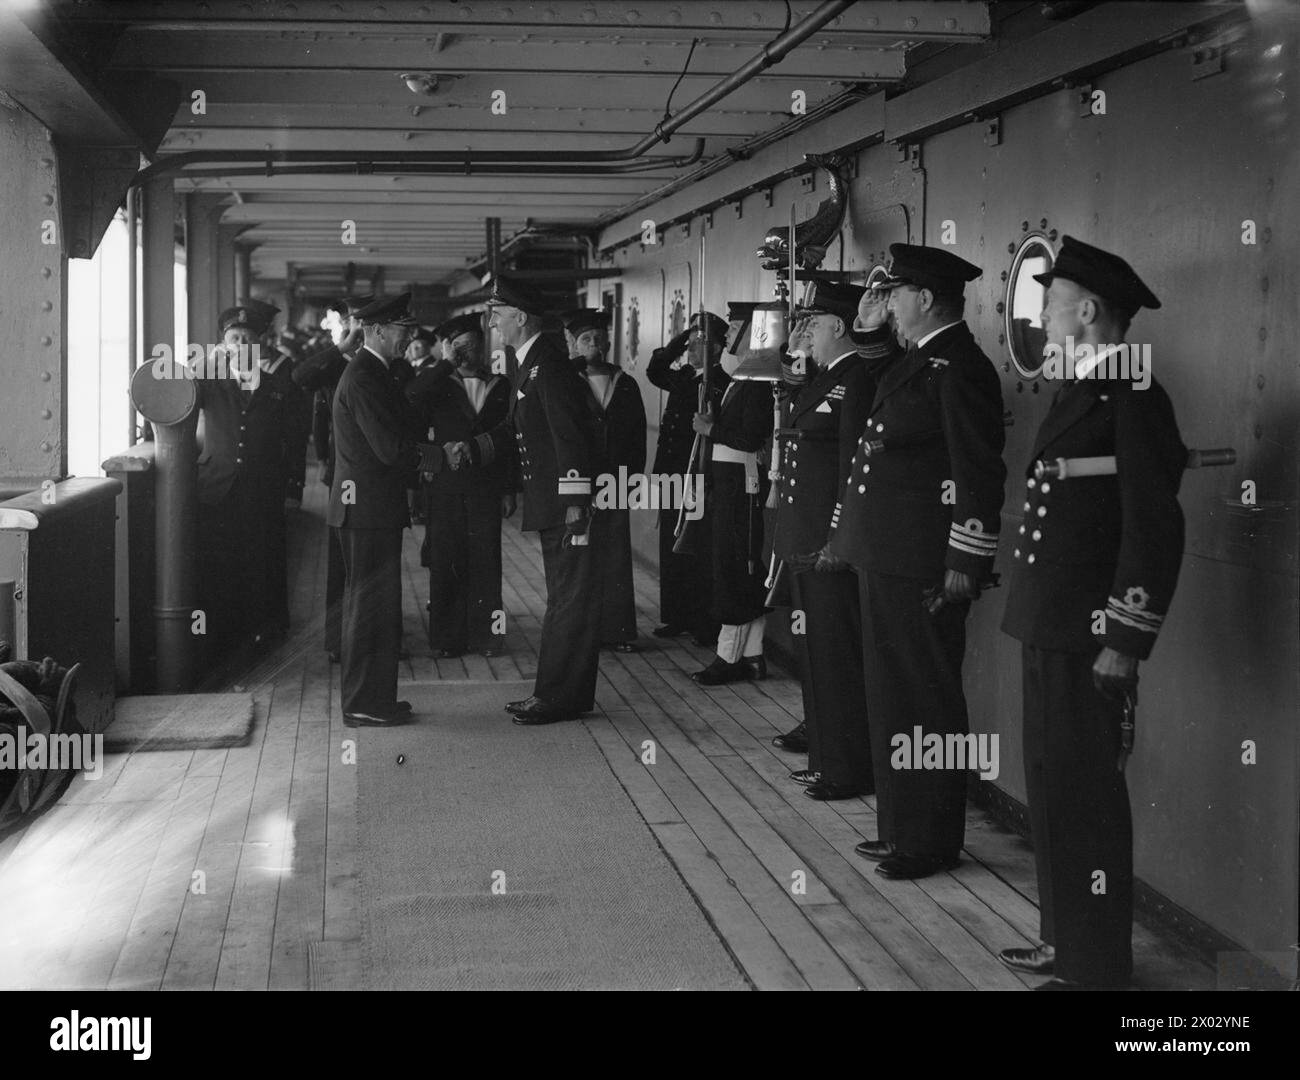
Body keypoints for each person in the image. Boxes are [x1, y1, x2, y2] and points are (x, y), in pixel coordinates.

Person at [998, 237, 1184, 990]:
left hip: (1090, 633)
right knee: (1053, 789)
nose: (1040, 317)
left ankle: (1097, 965)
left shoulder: (1135, 397)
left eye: (1049, 302)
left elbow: (1153, 528)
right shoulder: (1083, 391)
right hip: (1049, 622)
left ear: (1089, 310)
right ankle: (1063, 940)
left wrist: (1125, 637)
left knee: (1088, 800)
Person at [829, 243, 1006, 881]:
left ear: (925, 298)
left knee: (926, 697)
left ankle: (930, 839)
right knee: (891, 694)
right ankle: (901, 827)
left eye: (896, 294)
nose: (890, 305)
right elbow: (871, 375)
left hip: (926, 563)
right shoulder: (921, 360)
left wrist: (967, 556)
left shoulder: (961, 367)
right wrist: (869, 321)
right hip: (887, 556)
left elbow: (979, 469)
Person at [454, 278, 602, 725]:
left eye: (498, 313)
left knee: (568, 599)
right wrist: (477, 447)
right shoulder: (529, 362)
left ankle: (558, 697)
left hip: (565, 503)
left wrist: (577, 501)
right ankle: (561, 694)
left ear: (520, 318)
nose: (492, 321)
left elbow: (570, 435)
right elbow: (521, 427)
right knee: (563, 597)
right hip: (552, 501)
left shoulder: (549, 365)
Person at [772, 281, 879, 801]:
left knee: (835, 656)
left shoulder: (854, 381)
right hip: (804, 540)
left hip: (825, 545)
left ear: (837, 327)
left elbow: (850, 469)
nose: (804, 335)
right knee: (813, 653)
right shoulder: (822, 380)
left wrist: (838, 537)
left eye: (811, 325)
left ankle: (846, 767)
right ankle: (824, 758)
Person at [327, 292, 438, 727]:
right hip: (365, 509)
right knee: (368, 606)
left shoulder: (378, 372)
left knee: (377, 604)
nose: (408, 337)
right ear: (375, 330)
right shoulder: (364, 377)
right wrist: (437, 457)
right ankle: (361, 704)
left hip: (372, 507)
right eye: (401, 329)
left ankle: (375, 699)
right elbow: (390, 449)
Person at [194, 298, 300, 653]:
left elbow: (294, 440)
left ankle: (264, 628)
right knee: (220, 559)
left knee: (263, 559)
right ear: (224, 345)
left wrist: (293, 489)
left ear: (260, 345)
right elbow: (171, 392)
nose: (241, 346)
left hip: (262, 488)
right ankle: (223, 630)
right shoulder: (207, 384)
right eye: (234, 339)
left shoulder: (277, 386)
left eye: (247, 340)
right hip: (217, 486)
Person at [405, 312, 512, 658]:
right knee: (446, 558)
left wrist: (510, 488)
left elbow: (510, 437)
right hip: (446, 485)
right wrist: (444, 363)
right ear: (450, 347)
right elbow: (412, 401)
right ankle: (447, 639)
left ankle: (488, 636)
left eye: (477, 345)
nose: (472, 352)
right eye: (463, 346)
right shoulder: (436, 382)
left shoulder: (500, 384)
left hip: (486, 484)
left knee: (486, 560)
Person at [689, 340, 774, 686]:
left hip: (743, 486)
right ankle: (753, 656)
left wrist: (711, 429)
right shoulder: (740, 379)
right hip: (728, 485)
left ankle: (728, 656)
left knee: (734, 569)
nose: (729, 339)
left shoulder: (756, 384)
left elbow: (751, 438)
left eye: (738, 329)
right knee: (742, 569)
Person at [292, 295, 368, 663]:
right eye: (354, 323)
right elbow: (301, 378)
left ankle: (379, 635)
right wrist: (340, 348)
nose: (359, 331)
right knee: (340, 558)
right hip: (342, 472)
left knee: (376, 560)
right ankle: (340, 641)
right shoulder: (334, 362)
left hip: (378, 474)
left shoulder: (389, 364)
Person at [566, 308, 647, 652]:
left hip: (616, 481)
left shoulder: (625, 383)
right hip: (579, 482)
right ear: (573, 344)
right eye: (586, 339)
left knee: (614, 555)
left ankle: (617, 631)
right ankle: (580, 629)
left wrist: (632, 481)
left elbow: (637, 435)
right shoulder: (566, 382)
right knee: (579, 554)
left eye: (599, 338)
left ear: (609, 342)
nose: (594, 344)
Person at [646, 312, 727, 647]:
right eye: (691, 344)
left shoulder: (719, 383)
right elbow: (654, 370)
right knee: (671, 545)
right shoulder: (681, 378)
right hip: (670, 474)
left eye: (700, 344)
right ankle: (677, 615)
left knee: (696, 547)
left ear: (719, 349)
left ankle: (702, 621)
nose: (693, 350)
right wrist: (683, 336)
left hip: (696, 475)